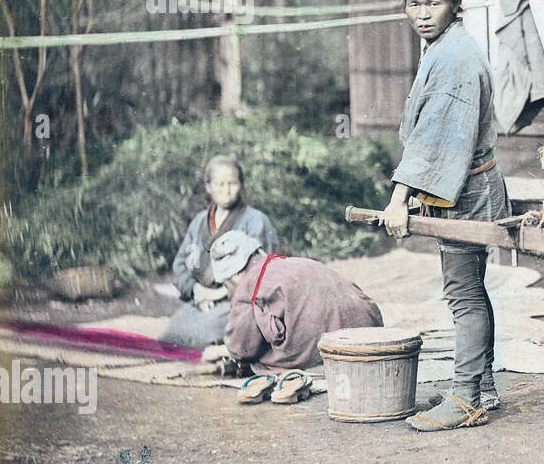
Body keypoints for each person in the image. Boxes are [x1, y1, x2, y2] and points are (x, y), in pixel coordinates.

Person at [381, 0, 511, 431]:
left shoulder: (454, 57)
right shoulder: (445, 48)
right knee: (471, 290)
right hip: (469, 183)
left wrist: (399, 199)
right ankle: (484, 386)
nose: (422, 13)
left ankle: (466, 398)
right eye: (413, 4)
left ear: (454, 6)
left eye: (433, 3)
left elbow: (435, 141)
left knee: (464, 295)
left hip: (467, 189)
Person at [197, 230, 383, 388]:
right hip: (372, 334)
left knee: (262, 362)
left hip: (339, 351)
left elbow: (242, 348)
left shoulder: (247, 285)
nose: (228, 289)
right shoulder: (293, 263)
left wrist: (220, 351)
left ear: (235, 273)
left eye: (226, 284)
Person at [160, 155, 280, 349]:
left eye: (232, 183)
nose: (226, 190)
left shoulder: (256, 221)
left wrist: (218, 294)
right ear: (208, 187)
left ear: (241, 185)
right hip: (202, 299)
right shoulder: (200, 221)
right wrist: (197, 291)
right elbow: (180, 264)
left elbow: (261, 275)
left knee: (203, 339)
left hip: (239, 303)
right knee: (171, 336)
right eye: (220, 184)